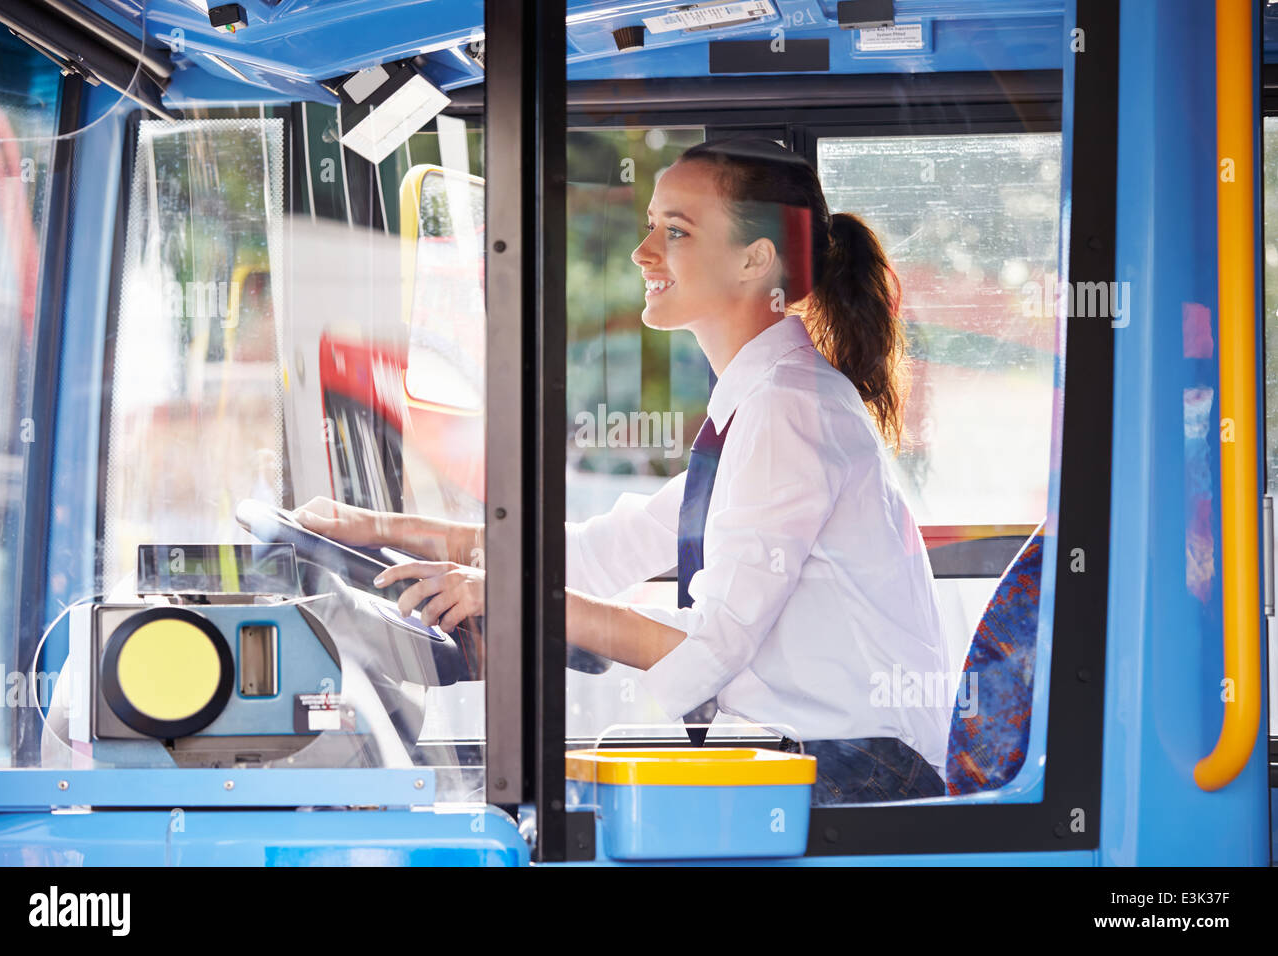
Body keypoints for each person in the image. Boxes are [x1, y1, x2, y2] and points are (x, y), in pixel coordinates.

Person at [295, 138, 950, 804]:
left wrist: (508, 598)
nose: (642, 253)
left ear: (756, 259)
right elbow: (595, 553)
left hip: (858, 777)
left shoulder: (788, 409)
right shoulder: (762, 399)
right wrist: (375, 527)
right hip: (818, 758)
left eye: (676, 230)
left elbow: (713, 642)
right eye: (649, 227)